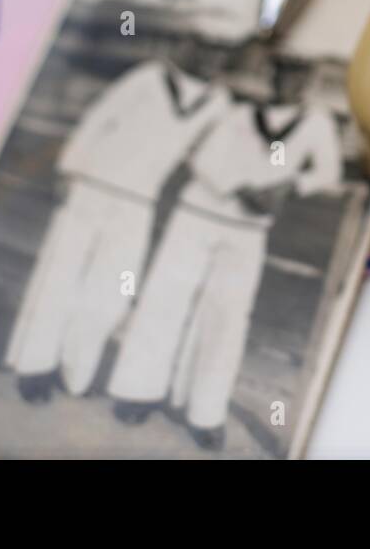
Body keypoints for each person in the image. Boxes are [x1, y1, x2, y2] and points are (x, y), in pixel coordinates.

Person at [106, 47, 344, 449]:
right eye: (288, 73)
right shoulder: (236, 112)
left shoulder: (317, 124)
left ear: (313, 81)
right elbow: (202, 156)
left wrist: (288, 186)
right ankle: (136, 390)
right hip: (197, 216)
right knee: (164, 302)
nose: (296, 82)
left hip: (247, 233)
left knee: (228, 319)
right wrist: (239, 187)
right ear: (274, 76)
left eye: (305, 76)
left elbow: (328, 171)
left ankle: (206, 413)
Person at [3, 58, 231, 401]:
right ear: (193, 46)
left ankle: (75, 369)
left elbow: (210, 156)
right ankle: (35, 365)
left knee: (113, 291)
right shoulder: (150, 75)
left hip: (138, 202)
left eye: (226, 53)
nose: (214, 57)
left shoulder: (219, 103)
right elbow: (101, 115)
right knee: (60, 276)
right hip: (92, 183)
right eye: (209, 46)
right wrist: (69, 165)